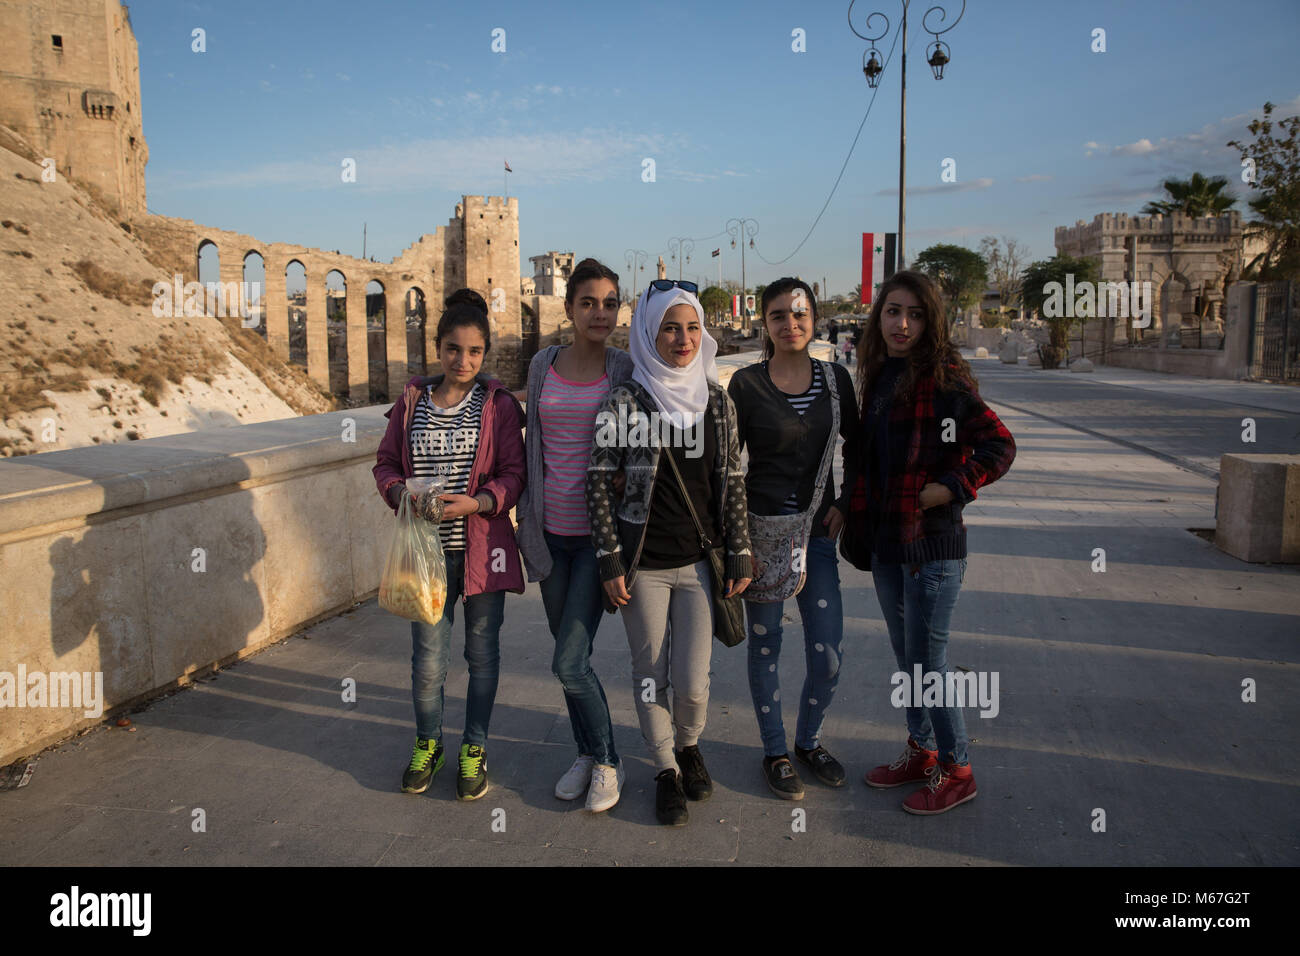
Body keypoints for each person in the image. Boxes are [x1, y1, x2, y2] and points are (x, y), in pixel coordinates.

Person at [846, 270, 1015, 815]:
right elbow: (866, 458)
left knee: (929, 664)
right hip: (889, 547)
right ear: (879, 317)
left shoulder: (943, 375)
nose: (902, 324)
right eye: (893, 311)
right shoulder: (877, 374)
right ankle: (922, 751)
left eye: (915, 315)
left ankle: (958, 768)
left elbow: (999, 444)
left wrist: (951, 487)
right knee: (907, 659)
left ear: (930, 321)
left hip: (934, 550)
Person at [586, 280, 752, 827]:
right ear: (649, 334)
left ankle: (688, 743)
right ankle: (665, 769)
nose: (682, 339)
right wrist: (609, 559)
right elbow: (597, 479)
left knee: (695, 680)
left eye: (691, 327)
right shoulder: (626, 400)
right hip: (645, 566)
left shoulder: (718, 403)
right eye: (669, 328)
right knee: (650, 672)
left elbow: (731, 481)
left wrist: (740, 552)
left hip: (702, 563)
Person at [373, 296, 526, 801]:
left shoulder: (499, 406)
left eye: (475, 352)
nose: (463, 361)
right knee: (428, 661)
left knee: (481, 656)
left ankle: (474, 748)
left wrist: (478, 502)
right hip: (426, 554)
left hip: (482, 551)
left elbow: (514, 476)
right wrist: (401, 494)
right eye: (453, 350)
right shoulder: (413, 401)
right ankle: (428, 743)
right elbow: (386, 465)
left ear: (486, 355)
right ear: (437, 349)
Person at [728, 278, 860, 800]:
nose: (791, 323)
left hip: (816, 538)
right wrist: (735, 543)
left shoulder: (835, 380)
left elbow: (860, 446)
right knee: (766, 648)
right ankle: (776, 752)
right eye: (779, 314)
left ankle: (810, 740)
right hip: (760, 535)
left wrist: (846, 502)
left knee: (828, 651)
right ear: (765, 322)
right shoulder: (746, 384)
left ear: (814, 315)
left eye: (800, 313)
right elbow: (725, 467)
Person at [516, 258, 634, 813]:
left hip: (595, 539)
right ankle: (585, 753)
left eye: (610, 303)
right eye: (588, 302)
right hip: (547, 532)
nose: (600, 313)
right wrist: (422, 385)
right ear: (568, 309)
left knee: (568, 660)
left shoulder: (623, 368)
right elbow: (524, 431)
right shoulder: (543, 363)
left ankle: (608, 760)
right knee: (569, 655)